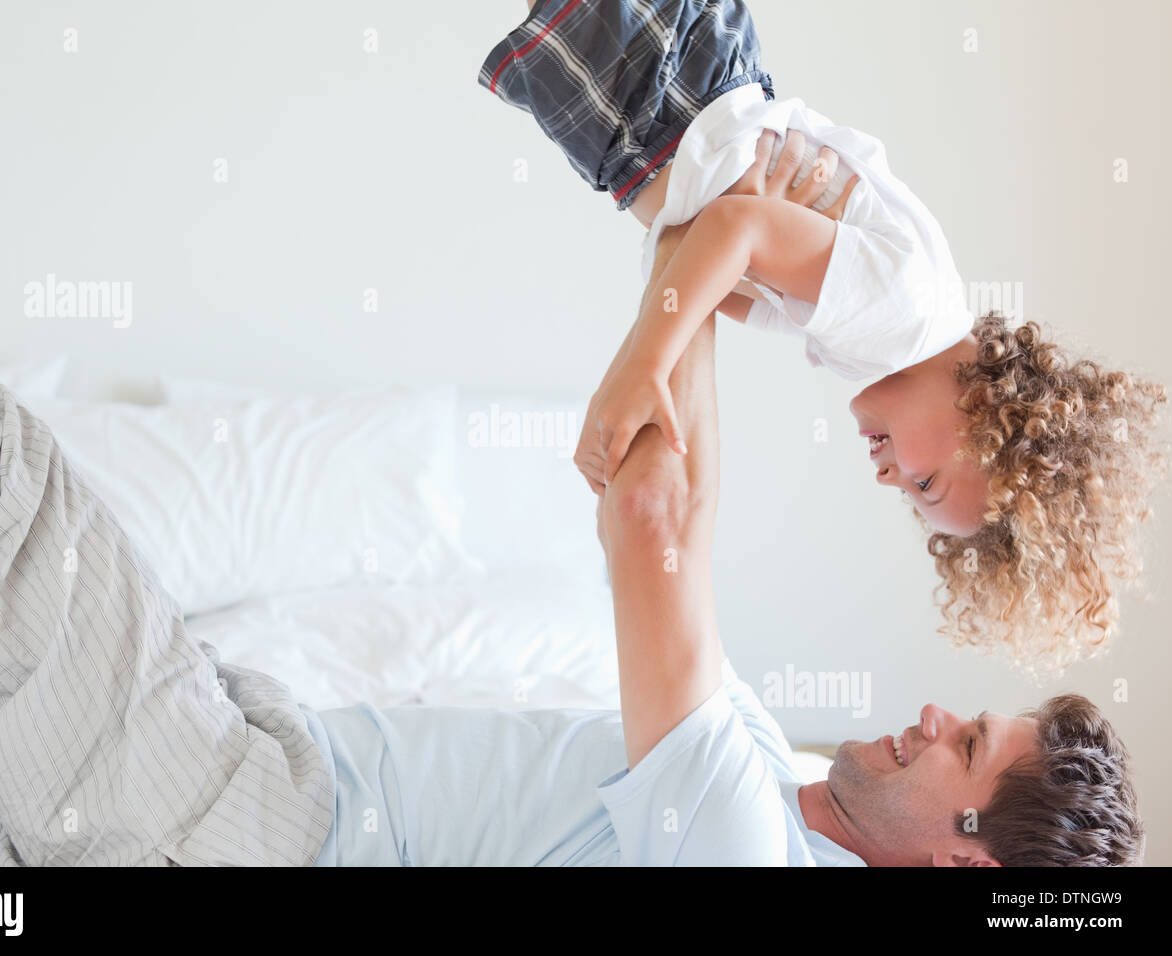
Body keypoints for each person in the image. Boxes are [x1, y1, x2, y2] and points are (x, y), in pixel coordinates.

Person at [0, 223, 1143, 865]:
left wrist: (701, 262)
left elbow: (653, 519)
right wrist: (702, 234)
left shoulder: (745, 843)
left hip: (243, 827)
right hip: (246, 760)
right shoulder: (777, 774)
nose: (932, 714)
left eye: (966, 741)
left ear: (958, 853)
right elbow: (690, 489)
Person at [480, 0, 1166, 672]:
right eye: (924, 483)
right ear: (986, 417)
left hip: (645, 129)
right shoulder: (905, 310)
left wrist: (689, 302)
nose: (889, 476)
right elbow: (733, 231)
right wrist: (647, 364)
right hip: (670, 83)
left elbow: (738, 291)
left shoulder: (876, 341)